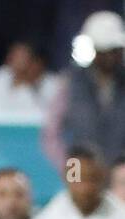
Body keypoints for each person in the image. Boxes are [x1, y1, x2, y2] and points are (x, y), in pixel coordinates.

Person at [44, 11, 125, 169]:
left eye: (114, 51)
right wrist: (68, 167)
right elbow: (51, 134)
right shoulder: (69, 83)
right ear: (94, 49)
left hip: (120, 174)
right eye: (104, 51)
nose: (110, 57)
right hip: (81, 171)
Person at [0, 40, 57, 119]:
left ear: (37, 62)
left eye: (21, 57)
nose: (14, 62)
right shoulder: (1, 76)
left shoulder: (54, 83)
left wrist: (28, 87)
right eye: (13, 56)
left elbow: (44, 120)